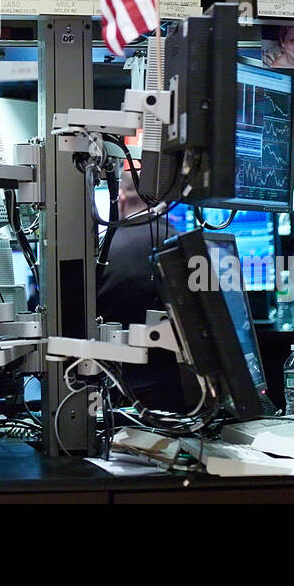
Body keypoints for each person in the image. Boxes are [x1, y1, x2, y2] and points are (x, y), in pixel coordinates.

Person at [96, 165, 193, 412]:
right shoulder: (186, 248)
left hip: (113, 397)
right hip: (180, 397)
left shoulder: (103, 251)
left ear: (122, 197)